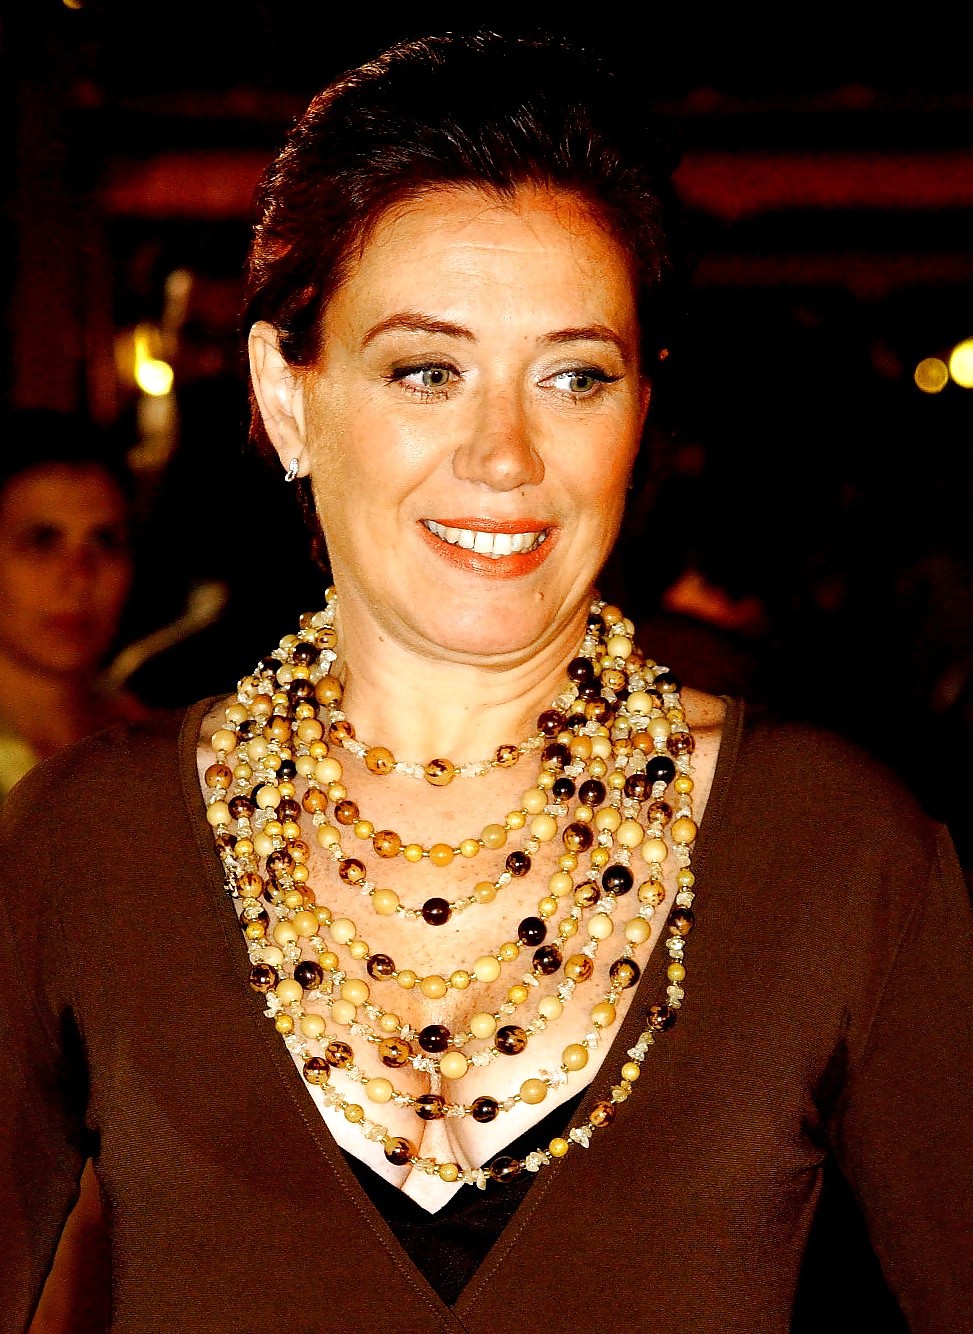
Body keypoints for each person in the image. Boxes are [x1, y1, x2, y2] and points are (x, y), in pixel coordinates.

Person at [1, 30, 970, 1333]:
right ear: (287, 397)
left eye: (574, 376)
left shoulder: (835, 851)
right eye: (426, 370)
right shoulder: (87, 849)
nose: (504, 454)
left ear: (639, 409)